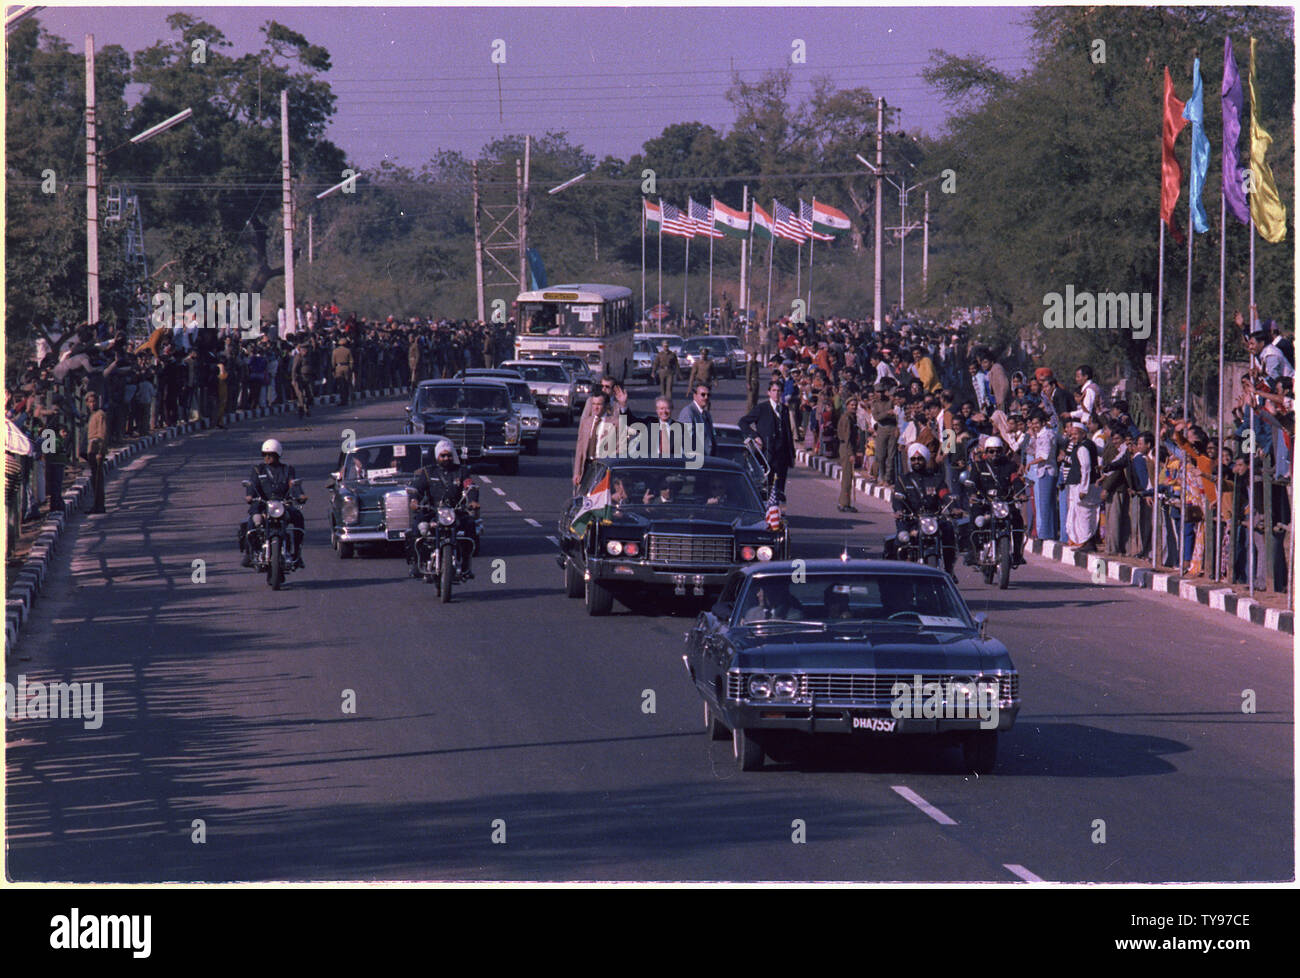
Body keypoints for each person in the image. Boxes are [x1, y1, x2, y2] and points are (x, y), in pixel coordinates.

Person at [407, 438, 480, 579]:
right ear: (437, 456)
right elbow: (416, 488)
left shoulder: (462, 471)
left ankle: (466, 564)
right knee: (416, 526)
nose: (446, 458)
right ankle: (416, 563)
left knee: (470, 525)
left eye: (449, 455)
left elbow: (470, 486)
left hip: (455, 510)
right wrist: (414, 500)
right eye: (443, 455)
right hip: (432, 510)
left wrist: (473, 501)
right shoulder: (428, 472)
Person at [239, 438, 307, 567]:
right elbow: (252, 484)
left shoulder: (287, 469)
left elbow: (293, 484)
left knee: (298, 517)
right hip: (262, 504)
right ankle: (249, 553)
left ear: (278, 455)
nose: (267, 457)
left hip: (283, 504)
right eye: (265, 454)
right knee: (252, 521)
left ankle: (297, 553)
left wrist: (300, 495)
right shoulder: (258, 470)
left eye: (271, 455)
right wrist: (249, 495)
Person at [739, 379, 796, 502]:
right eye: (774, 391)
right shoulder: (761, 408)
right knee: (767, 488)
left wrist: (792, 454)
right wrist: (755, 436)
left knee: (780, 490)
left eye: (779, 391)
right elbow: (743, 422)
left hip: (782, 456)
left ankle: (778, 516)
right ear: (768, 393)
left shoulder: (784, 410)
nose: (776, 393)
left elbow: (787, 433)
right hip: (767, 454)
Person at [84, 391, 108, 514]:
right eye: (90, 402)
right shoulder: (92, 415)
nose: (92, 404)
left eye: (94, 402)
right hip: (91, 449)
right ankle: (97, 504)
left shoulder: (100, 414)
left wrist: (100, 451)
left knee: (98, 479)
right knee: (95, 479)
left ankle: (99, 505)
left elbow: (102, 434)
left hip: (96, 449)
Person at [677, 383, 717, 457]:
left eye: (708, 395)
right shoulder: (688, 412)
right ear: (695, 396)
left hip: (707, 459)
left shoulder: (706, 414)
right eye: (703, 394)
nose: (706, 397)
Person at [837, 395, 859, 512]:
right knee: (847, 476)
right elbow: (847, 437)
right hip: (846, 448)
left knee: (848, 476)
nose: (854, 407)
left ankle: (844, 501)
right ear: (847, 406)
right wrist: (851, 453)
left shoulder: (852, 417)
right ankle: (844, 503)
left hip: (847, 447)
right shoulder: (847, 418)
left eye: (855, 405)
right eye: (852, 405)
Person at [332, 336, 354, 407]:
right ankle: (346, 399)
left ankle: (342, 399)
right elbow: (351, 361)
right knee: (347, 384)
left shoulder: (335, 351)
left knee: (341, 384)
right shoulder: (348, 350)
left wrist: (333, 369)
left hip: (338, 368)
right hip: (346, 367)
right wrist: (350, 368)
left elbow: (333, 362)